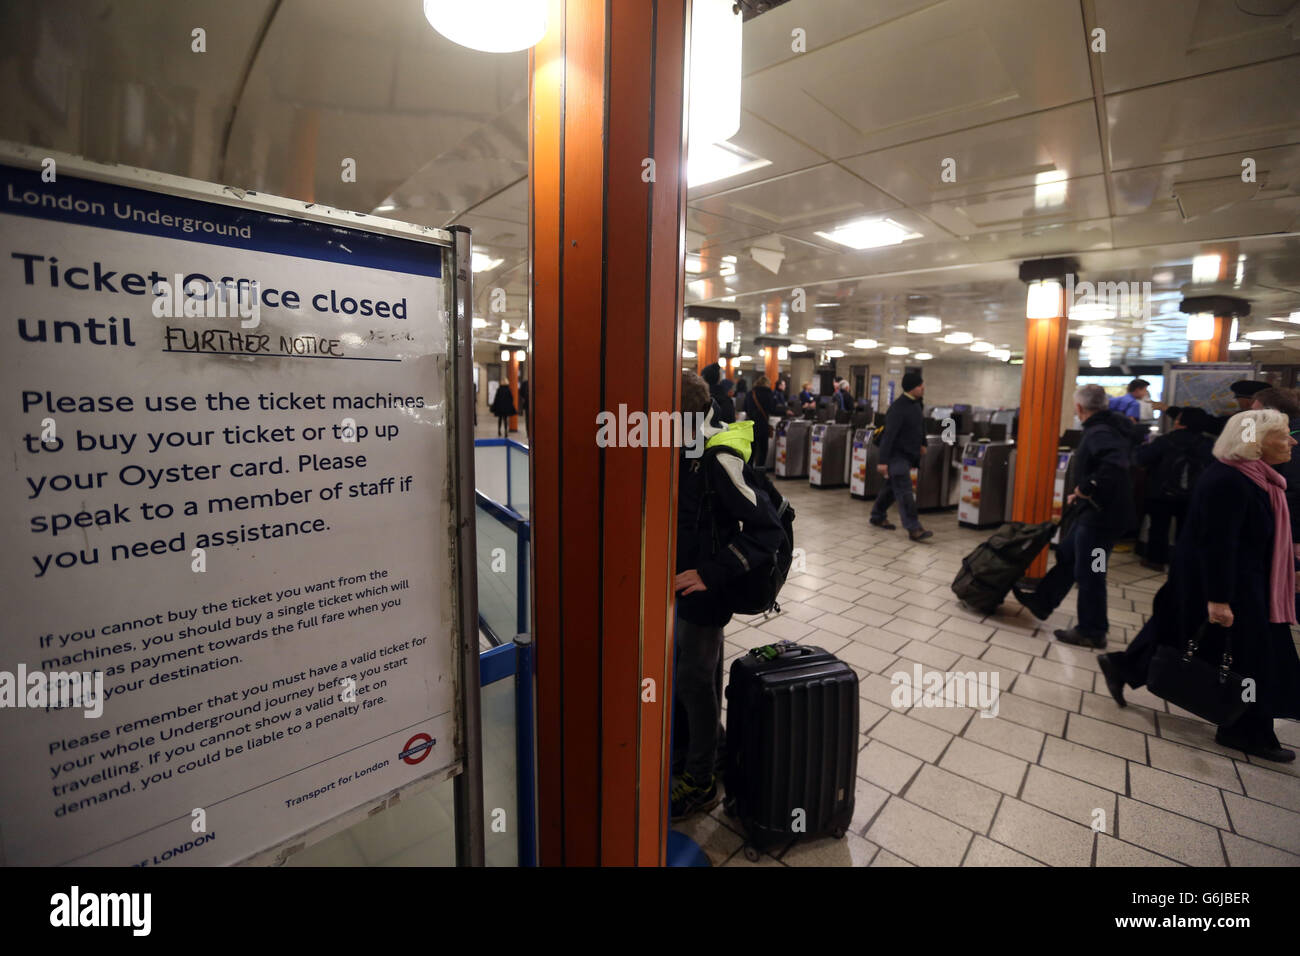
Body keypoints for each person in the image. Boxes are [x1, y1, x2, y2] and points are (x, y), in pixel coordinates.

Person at [1097, 409, 1300, 762]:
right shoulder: (1230, 481)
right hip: (1229, 585)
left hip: (1243, 583)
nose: (1292, 441)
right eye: (1283, 435)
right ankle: (1247, 731)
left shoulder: (1260, 479)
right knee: (1250, 656)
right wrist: (1219, 599)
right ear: (1254, 442)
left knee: (1185, 633)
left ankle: (1126, 667)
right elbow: (1219, 545)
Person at [672, 371, 787, 817]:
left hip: (707, 591)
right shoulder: (685, 448)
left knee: (695, 681)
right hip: (689, 588)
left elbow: (767, 530)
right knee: (697, 675)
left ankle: (701, 782)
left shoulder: (716, 457)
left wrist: (711, 573)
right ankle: (713, 749)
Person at [1013, 384, 1135, 647]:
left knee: (1092, 570)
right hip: (1097, 512)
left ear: (1079, 407)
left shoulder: (1099, 431)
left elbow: (1114, 464)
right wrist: (1082, 492)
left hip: (1103, 520)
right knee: (1068, 554)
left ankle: (1092, 630)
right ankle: (1042, 601)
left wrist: (1088, 487)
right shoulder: (1109, 427)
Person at [1134, 406, 1214, 571]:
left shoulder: (1165, 440)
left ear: (1181, 423)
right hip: (1193, 495)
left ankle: (1155, 560)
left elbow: (1141, 459)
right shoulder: (1207, 444)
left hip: (1161, 493)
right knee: (1186, 530)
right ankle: (1182, 563)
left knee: (1158, 528)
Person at [869, 371, 932, 541]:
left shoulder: (916, 405)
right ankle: (914, 528)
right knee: (905, 492)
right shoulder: (898, 407)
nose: (923, 387)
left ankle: (877, 515)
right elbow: (889, 435)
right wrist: (882, 462)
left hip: (908, 456)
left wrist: (923, 443)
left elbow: (920, 426)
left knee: (891, 489)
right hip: (897, 456)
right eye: (920, 385)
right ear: (912, 387)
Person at [746, 375, 777, 470]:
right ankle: (760, 472)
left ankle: (749, 471)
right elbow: (772, 409)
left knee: (751, 449)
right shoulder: (768, 393)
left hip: (751, 425)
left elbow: (745, 408)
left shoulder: (750, 393)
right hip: (763, 425)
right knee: (763, 450)